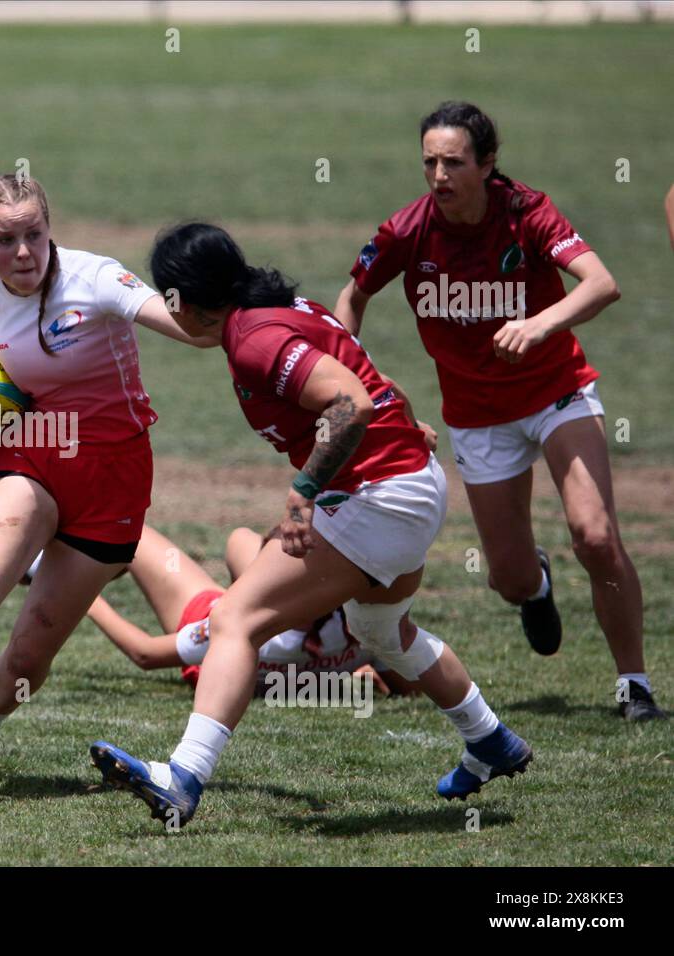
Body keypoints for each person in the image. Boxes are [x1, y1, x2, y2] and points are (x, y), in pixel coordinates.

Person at [90, 222, 533, 828]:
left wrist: (302, 494)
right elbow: (363, 377)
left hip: (381, 496)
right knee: (381, 630)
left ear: (184, 301)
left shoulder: (253, 339)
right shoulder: (272, 309)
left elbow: (350, 402)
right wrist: (405, 421)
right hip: (410, 485)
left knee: (233, 619)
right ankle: (489, 738)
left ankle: (182, 775)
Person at [0, 174, 214, 795]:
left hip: (114, 479)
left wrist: (270, 321)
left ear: (50, 228)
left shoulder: (96, 279)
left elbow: (191, 328)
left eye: (34, 234)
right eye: (6, 240)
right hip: (31, 458)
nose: (25, 252)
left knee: (30, 658)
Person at [333, 101, 663, 721]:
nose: (438, 176)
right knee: (508, 580)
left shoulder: (526, 212)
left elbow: (600, 283)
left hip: (555, 392)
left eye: (453, 163)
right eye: (429, 162)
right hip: (476, 414)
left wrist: (540, 324)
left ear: (487, 164)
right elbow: (351, 297)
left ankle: (634, 685)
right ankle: (535, 584)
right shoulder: (407, 229)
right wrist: (358, 377)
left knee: (594, 537)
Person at [86, 525, 417, 697]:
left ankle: (47, 566)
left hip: (208, 615)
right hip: (288, 642)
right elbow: (407, 684)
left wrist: (86, 599)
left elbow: (145, 654)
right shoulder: (364, 631)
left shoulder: (236, 629)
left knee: (129, 532)